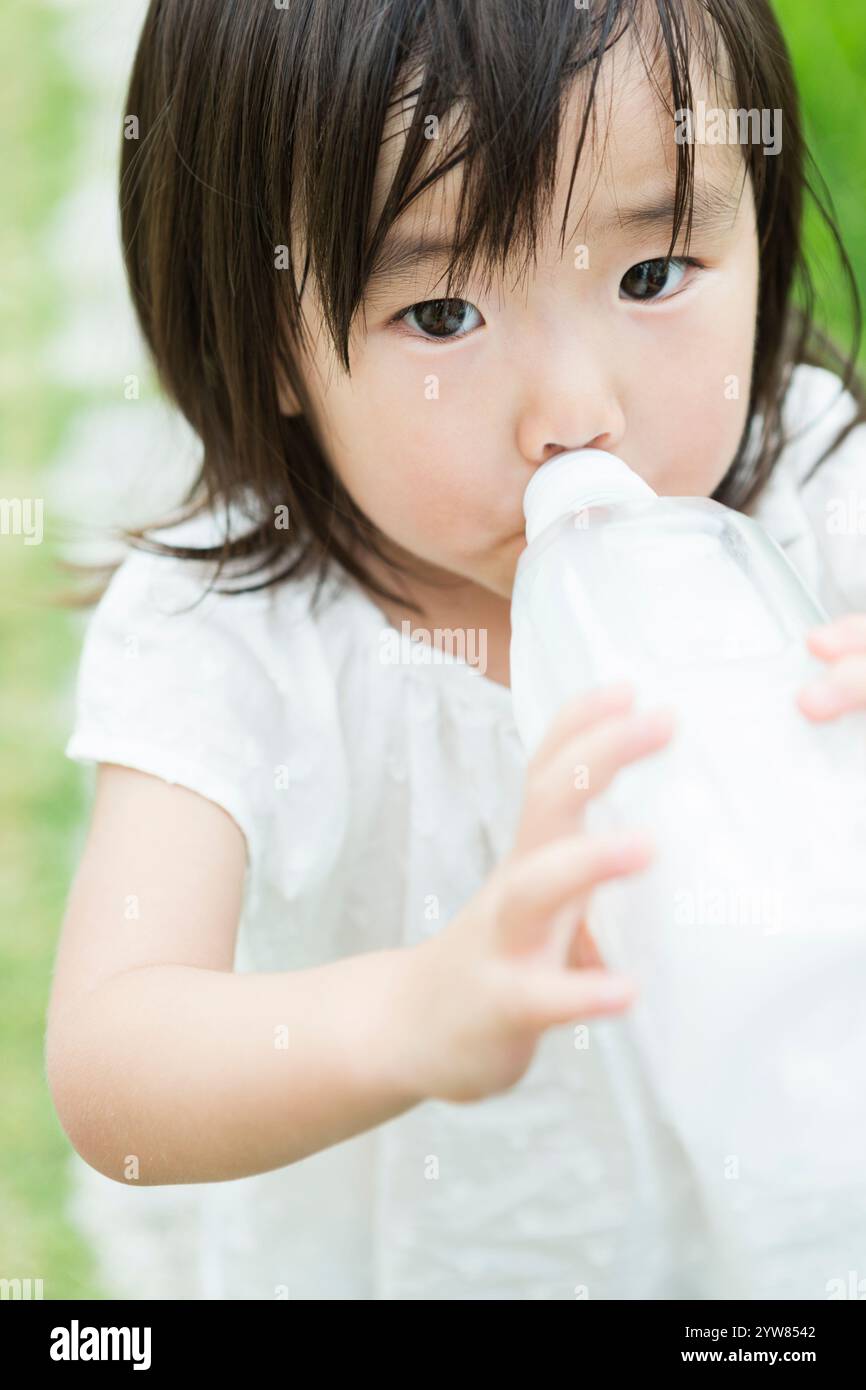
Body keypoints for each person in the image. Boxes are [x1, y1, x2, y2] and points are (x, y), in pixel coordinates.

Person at [47, 0, 866, 1299]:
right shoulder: (237, 637)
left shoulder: (809, 490)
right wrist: (416, 1010)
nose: (577, 414)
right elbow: (115, 1060)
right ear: (265, 341)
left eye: (652, 276)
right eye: (439, 315)